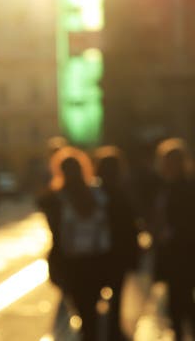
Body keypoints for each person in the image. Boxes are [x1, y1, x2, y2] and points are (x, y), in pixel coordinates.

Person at [38, 146, 111, 341]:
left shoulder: (57, 198)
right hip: (96, 258)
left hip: (71, 261)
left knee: (80, 308)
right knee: (92, 311)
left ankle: (87, 335)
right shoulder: (97, 193)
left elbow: (55, 231)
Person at [94, 145, 140, 341]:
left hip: (96, 254)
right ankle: (112, 331)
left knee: (95, 295)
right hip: (118, 254)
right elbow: (130, 226)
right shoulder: (121, 193)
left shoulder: (94, 193)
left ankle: (97, 331)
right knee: (116, 295)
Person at [151, 138, 195, 340]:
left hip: (183, 252)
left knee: (182, 300)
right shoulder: (166, 187)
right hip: (173, 254)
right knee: (178, 301)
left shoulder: (184, 188)